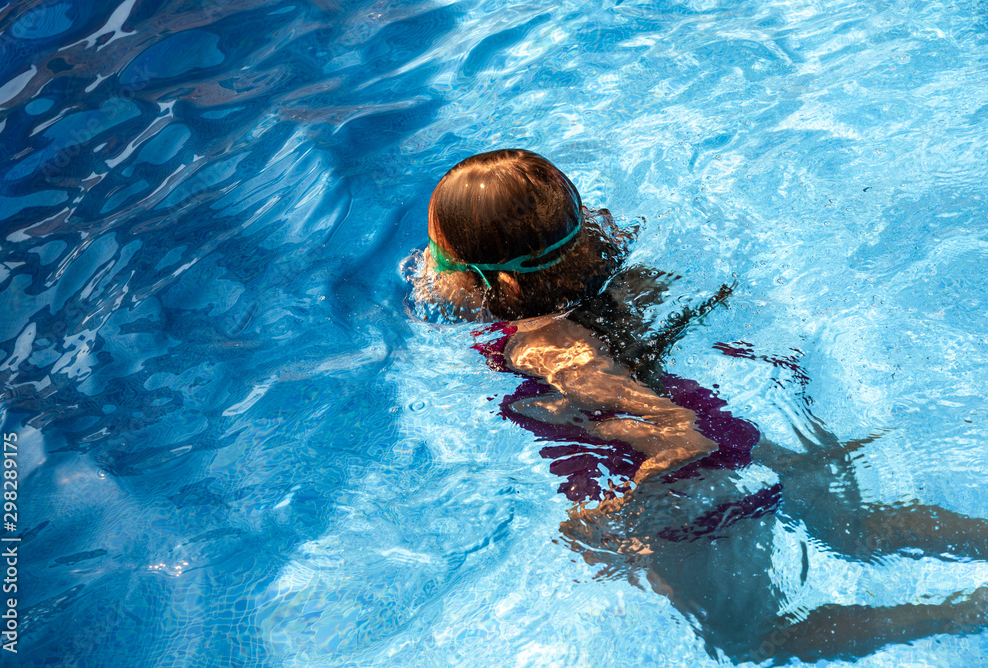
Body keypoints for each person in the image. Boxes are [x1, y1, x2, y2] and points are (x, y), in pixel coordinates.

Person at [410, 148, 988, 662]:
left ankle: (968, 614)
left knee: (757, 638)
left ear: (503, 285)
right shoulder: (602, 280)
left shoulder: (546, 347)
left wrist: (624, 514)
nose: (434, 266)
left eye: (444, 254)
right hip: (721, 422)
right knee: (855, 529)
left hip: (678, 477)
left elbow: (678, 433)